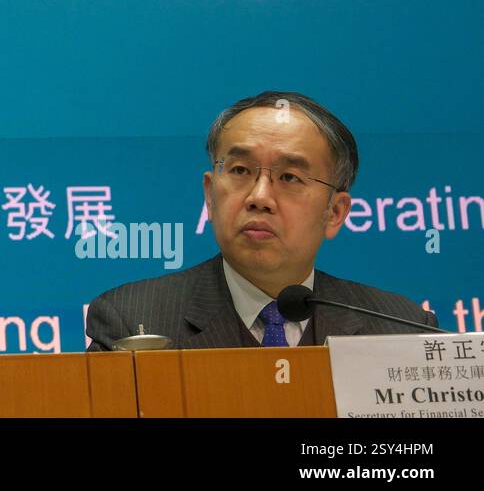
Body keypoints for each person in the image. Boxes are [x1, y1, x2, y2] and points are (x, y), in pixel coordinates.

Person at [86, 91, 436, 350]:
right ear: (210, 194)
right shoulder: (131, 321)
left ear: (335, 212)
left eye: (289, 178)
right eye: (240, 170)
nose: (259, 197)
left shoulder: (402, 330)